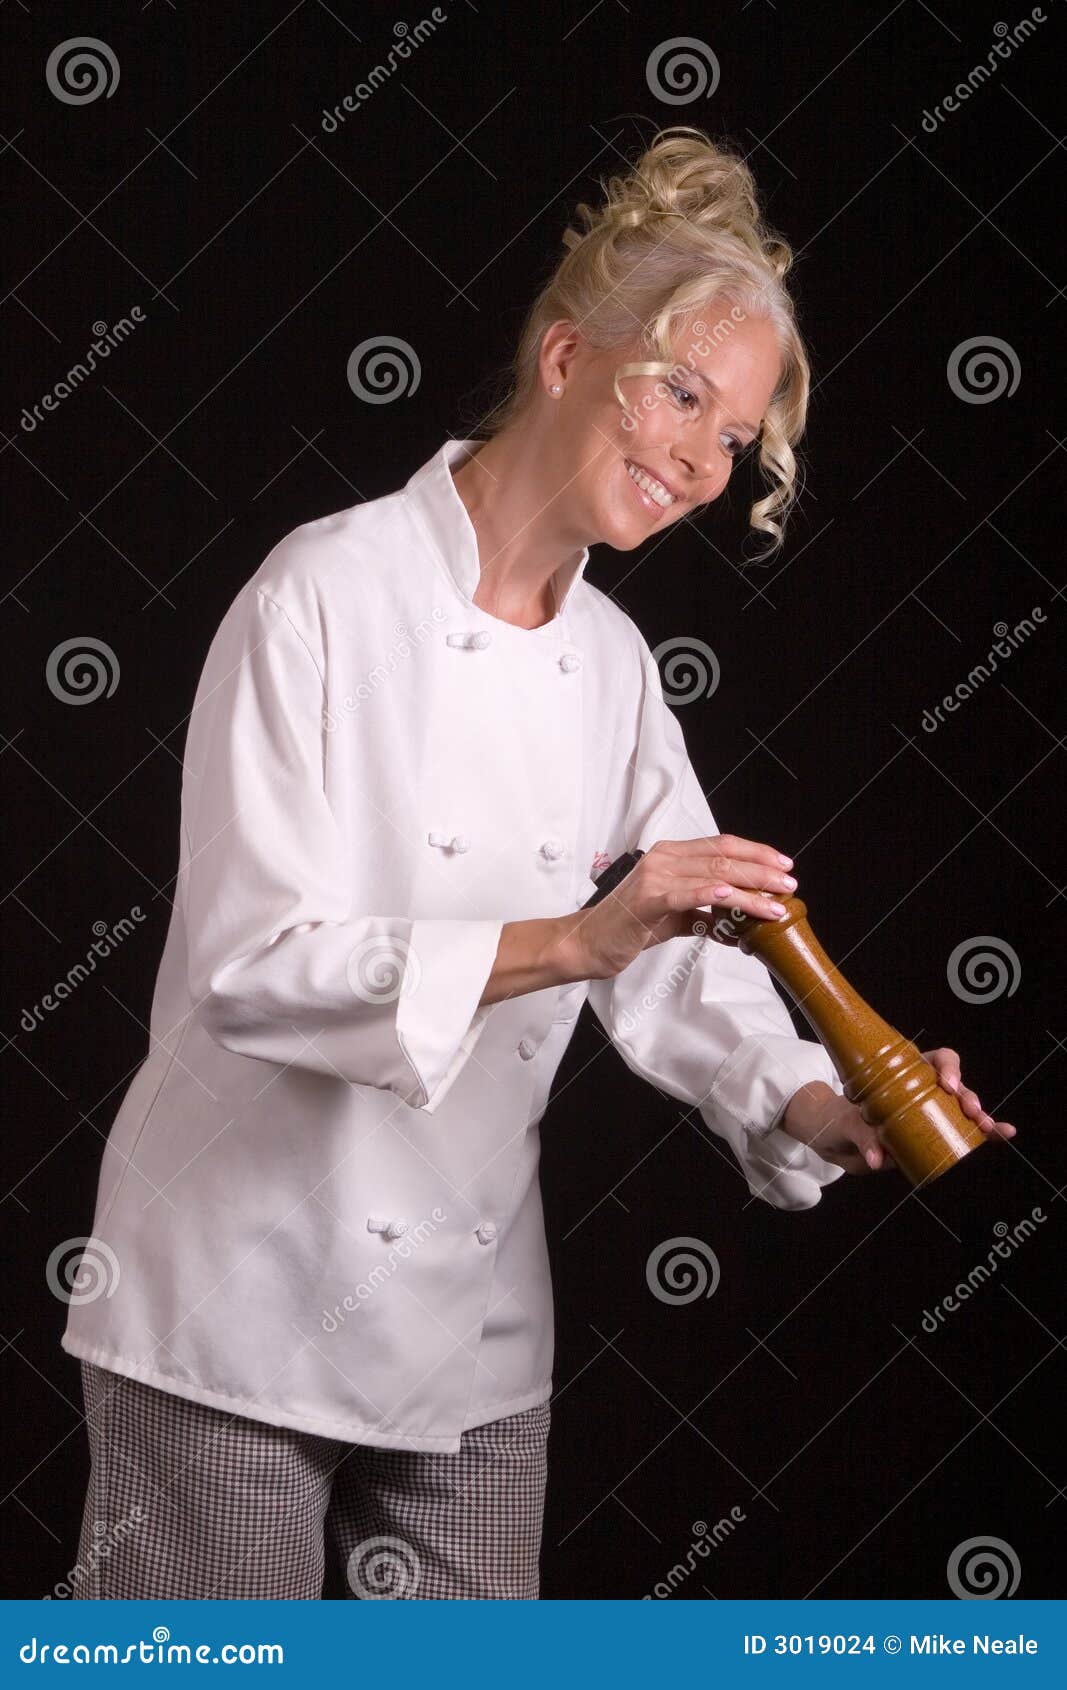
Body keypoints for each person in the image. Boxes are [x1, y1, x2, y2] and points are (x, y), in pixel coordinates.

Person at [61, 126, 1014, 1601]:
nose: (701, 462)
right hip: (231, 1290)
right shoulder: (322, 592)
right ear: (568, 358)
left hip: (470, 1323)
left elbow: (687, 949)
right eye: (682, 394)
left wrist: (819, 1101)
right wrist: (574, 939)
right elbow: (254, 967)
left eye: (734, 437)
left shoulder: (614, 663)